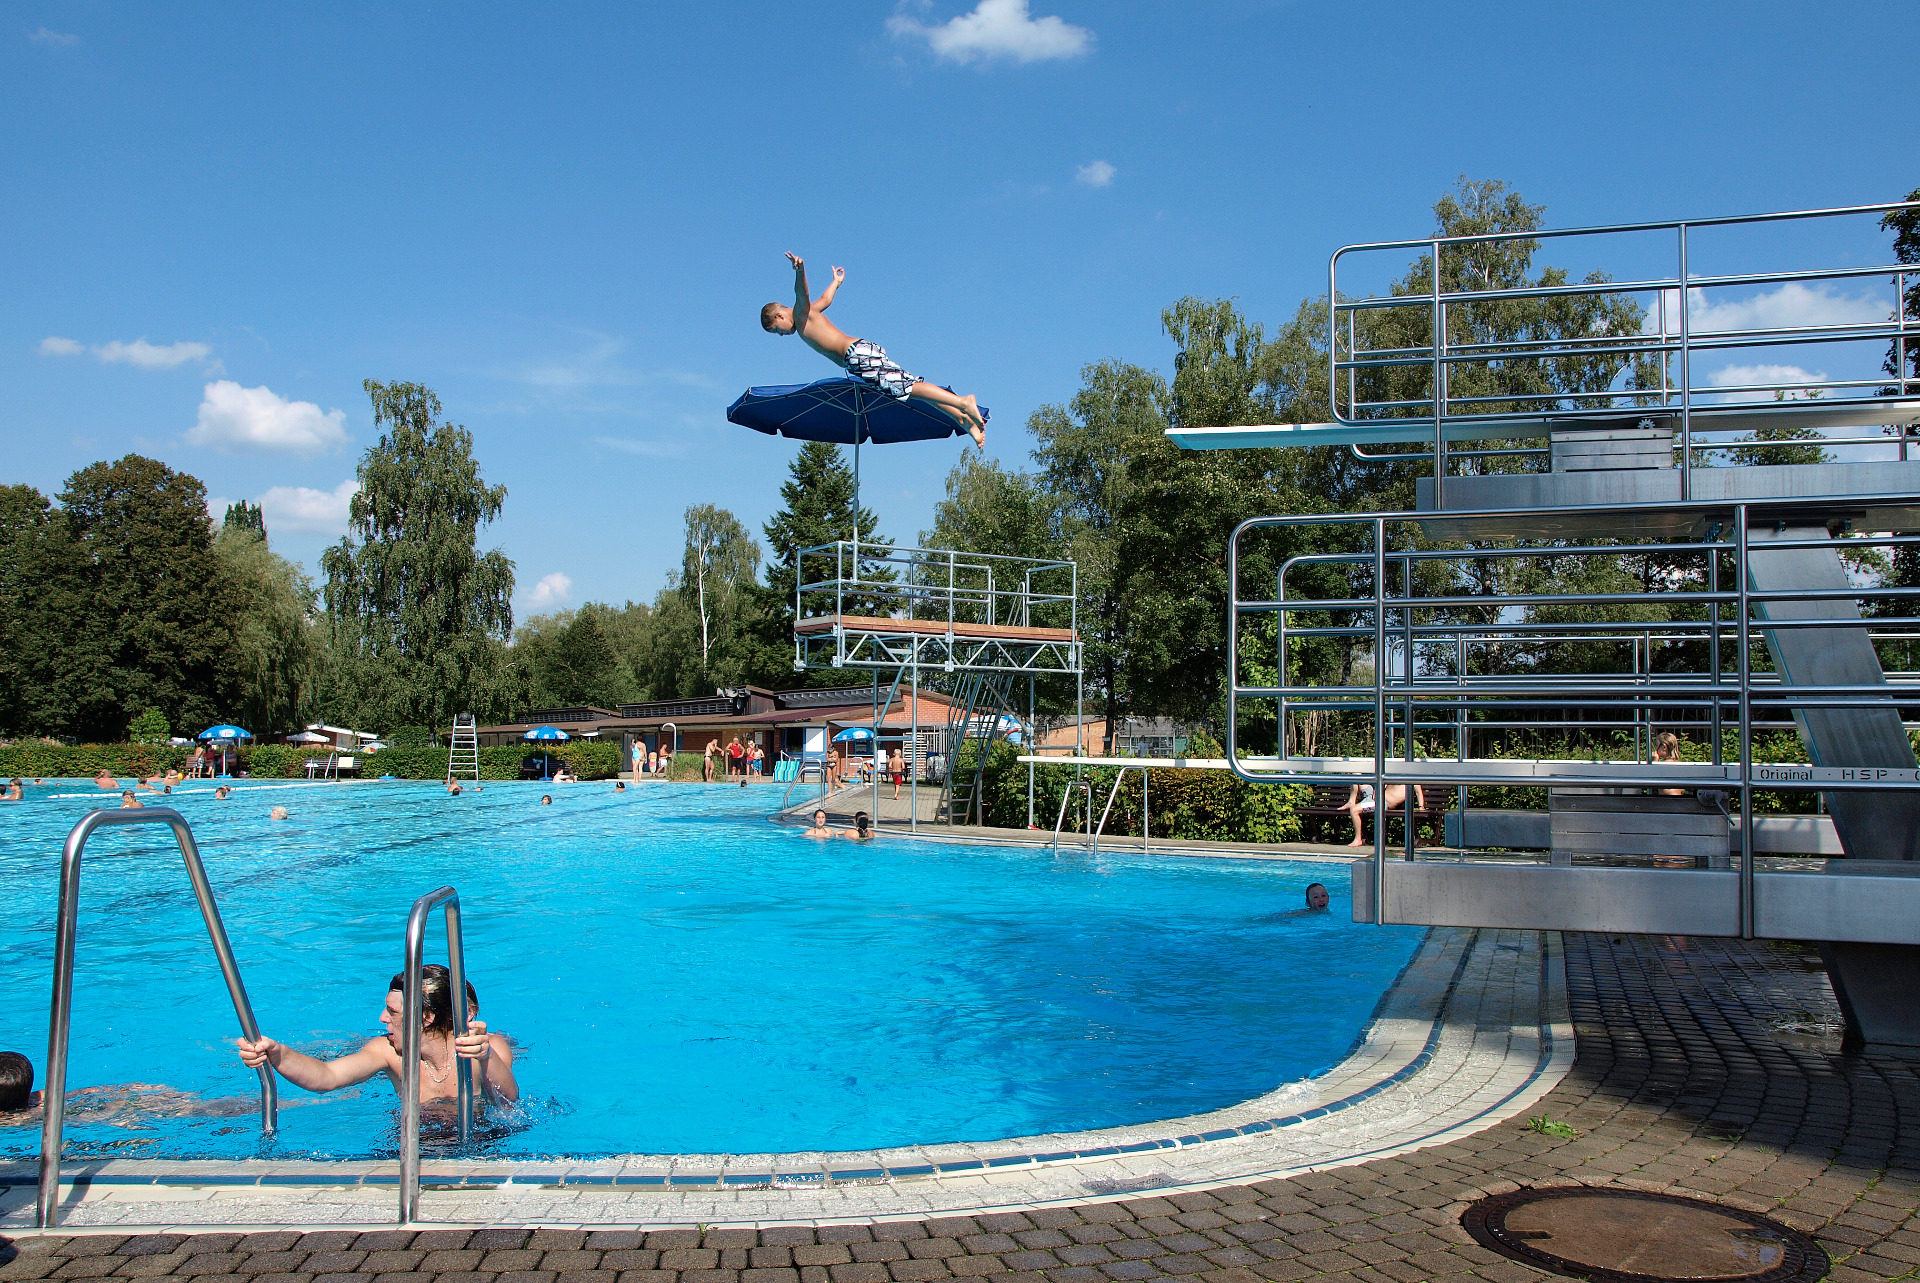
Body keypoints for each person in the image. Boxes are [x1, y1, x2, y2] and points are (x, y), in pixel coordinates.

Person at [761, 253, 986, 447]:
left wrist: (799, 270)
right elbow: (824, 300)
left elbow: (803, 294)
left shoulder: (800, 317)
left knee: (907, 389)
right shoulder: (808, 314)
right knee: (910, 389)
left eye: (777, 331)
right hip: (860, 354)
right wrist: (836, 283)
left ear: (780, 316)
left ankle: (963, 402)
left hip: (857, 356)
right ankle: (962, 419)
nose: (782, 335)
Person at [236, 964, 517, 1106]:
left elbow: (509, 1100)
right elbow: (327, 1077)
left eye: (392, 1012)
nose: (382, 1018)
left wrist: (484, 1057)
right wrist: (278, 1053)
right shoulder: (387, 1052)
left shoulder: (487, 1047)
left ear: (426, 1018)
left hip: (481, 1140)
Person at [1340, 781, 1425, 848]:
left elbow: (1418, 793)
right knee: (1357, 775)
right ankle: (1351, 801)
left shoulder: (1411, 779)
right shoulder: (1394, 775)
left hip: (1381, 803)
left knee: (1354, 810)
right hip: (1373, 796)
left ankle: (1358, 839)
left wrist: (1421, 807)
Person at [1652, 731, 1688, 797]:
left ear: (1664, 747)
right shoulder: (1678, 764)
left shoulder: (1665, 765)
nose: (1655, 749)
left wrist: (1655, 761)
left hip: (1668, 799)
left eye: (1657, 746)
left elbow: (1652, 779)